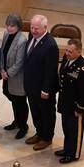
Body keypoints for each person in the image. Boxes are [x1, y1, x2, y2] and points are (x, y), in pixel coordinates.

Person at [23, 14, 59, 152]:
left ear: (45, 27)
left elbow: (50, 71)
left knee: (47, 113)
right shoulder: (32, 37)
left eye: (37, 28)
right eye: (32, 27)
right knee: (36, 112)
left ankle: (47, 138)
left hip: (43, 89)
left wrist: (45, 90)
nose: (33, 30)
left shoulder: (50, 45)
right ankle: (39, 133)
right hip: (31, 86)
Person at [55, 38, 84, 163]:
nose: (67, 53)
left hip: (76, 107)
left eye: (70, 52)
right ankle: (67, 149)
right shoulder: (67, 60)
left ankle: (73, 154)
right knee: (67, 129)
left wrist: (80, 109)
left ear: (79, 52)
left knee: (75, 132)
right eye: (66, 50)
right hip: (66, 104)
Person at [0, 13, 29, 138]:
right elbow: (2, 53)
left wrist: (7, 73)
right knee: (10, 95)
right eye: (8, 25)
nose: (9, 28)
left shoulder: (22, 40)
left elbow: (19, 63)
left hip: (17, 78)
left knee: (20, 102)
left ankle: (23, 126)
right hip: (6, 74)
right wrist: (1, 69)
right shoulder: (6, 34)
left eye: (13, 26)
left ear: (18, 26)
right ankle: (16, 121)